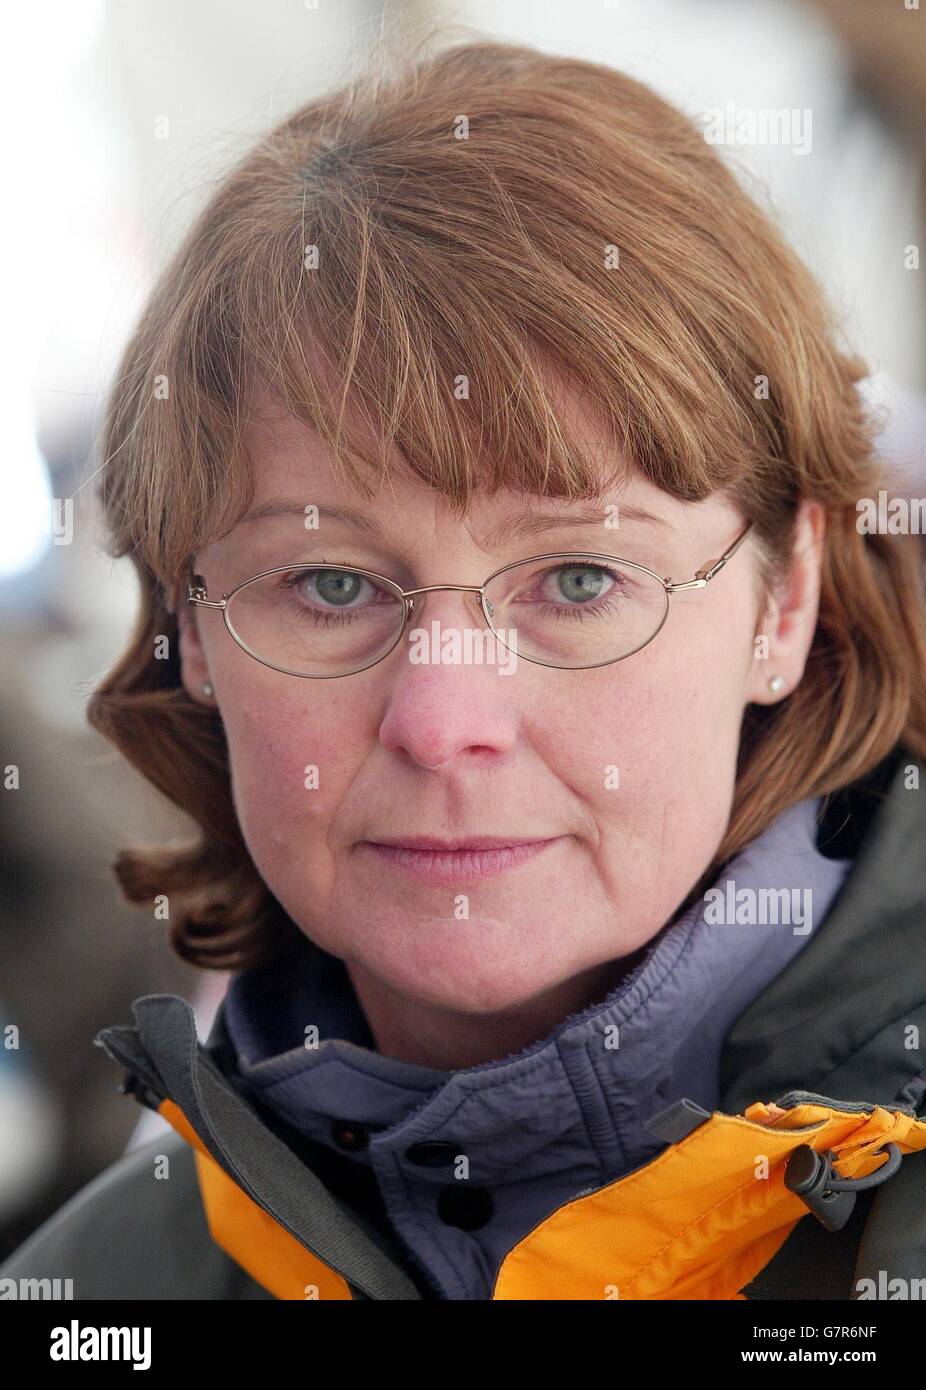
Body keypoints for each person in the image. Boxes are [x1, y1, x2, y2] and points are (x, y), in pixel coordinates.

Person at [3, 35, 926, 1303]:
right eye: (330, 586)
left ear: (787, 600)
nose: (442, 721)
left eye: (580, 580)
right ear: (194, 630)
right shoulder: (93, 1295)